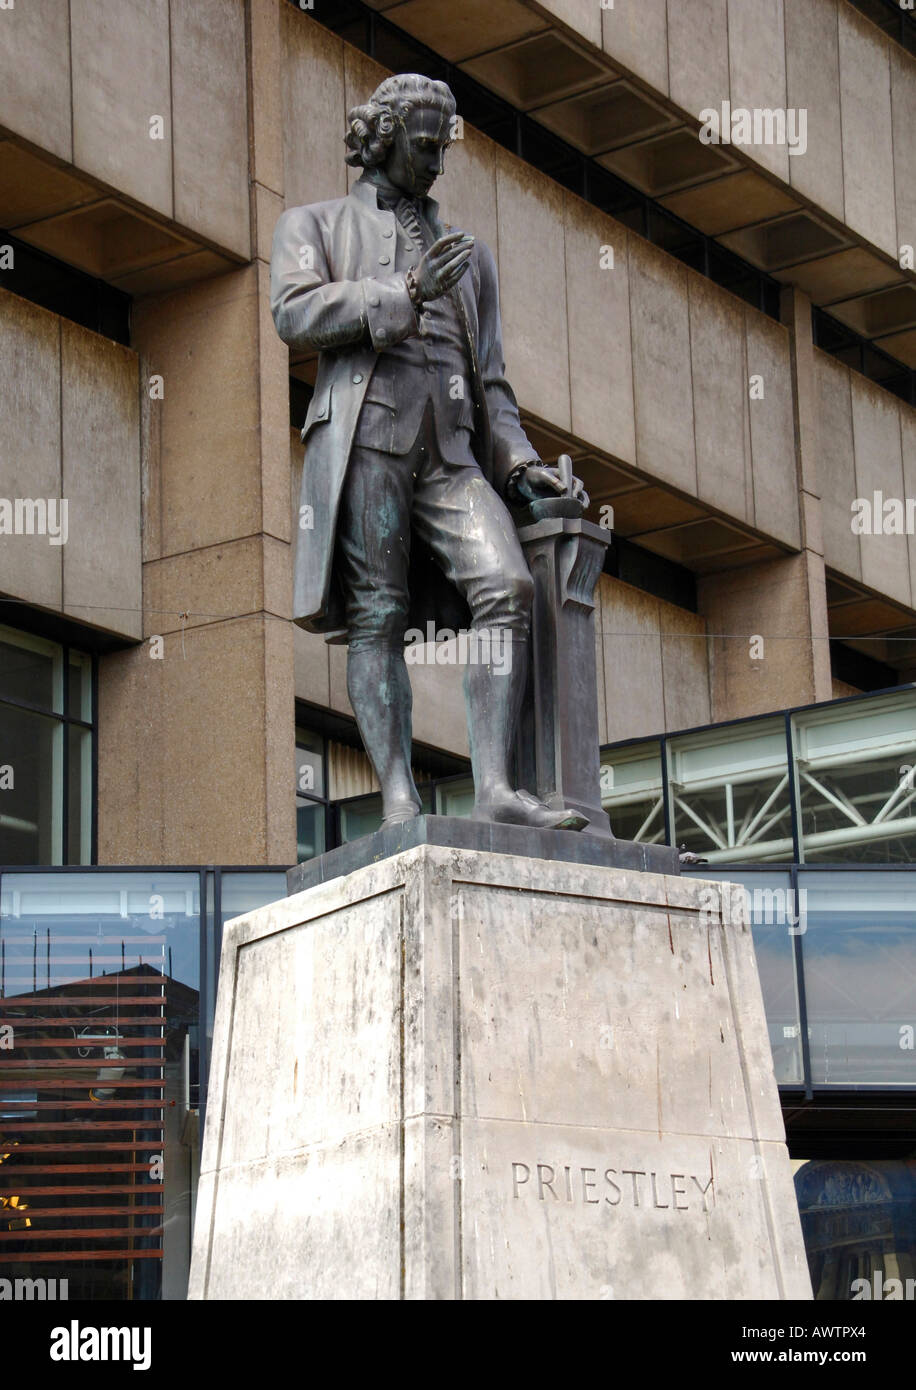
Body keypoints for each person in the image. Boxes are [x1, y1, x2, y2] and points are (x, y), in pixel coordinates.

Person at [271, 73, 588, 831]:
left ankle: (497, 791)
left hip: (451, 455)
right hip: (366, 441)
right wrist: (405, 291)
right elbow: (293, 312)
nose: (436, 163)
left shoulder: (470, 258)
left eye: (441, 148)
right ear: (382, 139)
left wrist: (519, 464)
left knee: (507, 588)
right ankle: (398, 798)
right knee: (379, 615)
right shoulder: (312, 224)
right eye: (422, 146)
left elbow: (494, 387)